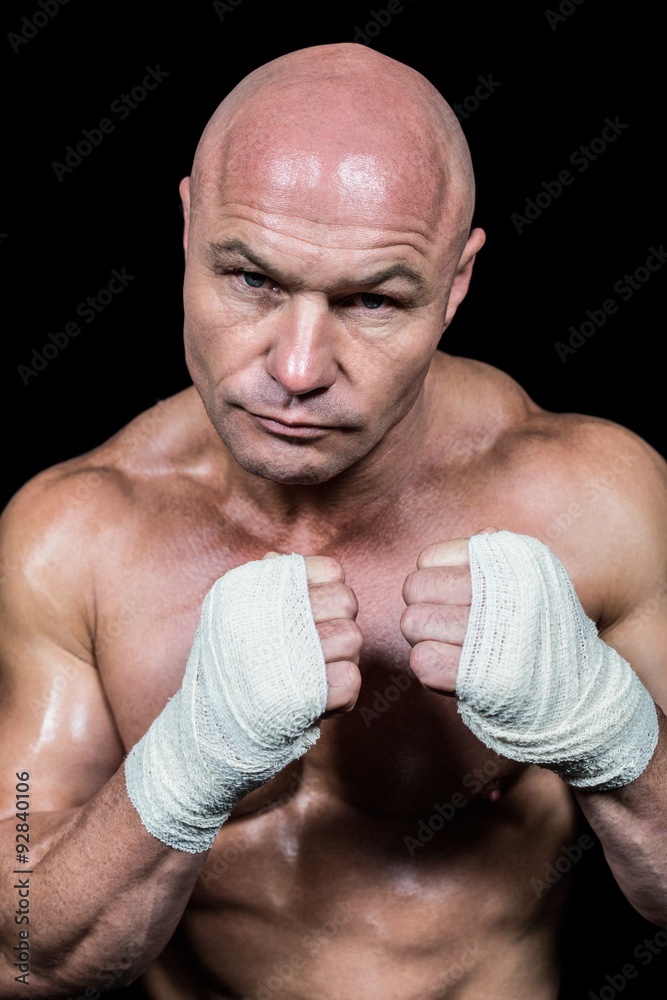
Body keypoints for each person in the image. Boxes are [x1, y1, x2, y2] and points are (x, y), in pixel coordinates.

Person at [1, 41, 666, 1000]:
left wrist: (612, 734)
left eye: (371, 299)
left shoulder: (593, 499)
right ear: (188, 229)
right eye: (252, 280)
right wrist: (186, 768)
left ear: (457, 284)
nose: (300, 369)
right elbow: (24, 956)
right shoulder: (72, 539)